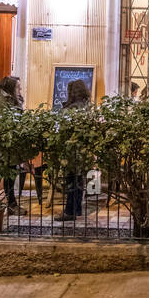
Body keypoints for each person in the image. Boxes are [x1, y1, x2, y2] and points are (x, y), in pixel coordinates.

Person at [55, 78, 91, 222]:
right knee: (79, 179)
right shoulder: (87, 106)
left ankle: (70, 211)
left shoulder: (72, 109)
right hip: (83, 150)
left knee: (71, 179)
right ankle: (77, 209)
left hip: (72, 150)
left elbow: (63, 127)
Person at [0, 76, 25, 214]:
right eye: (17, 87)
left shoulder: (15, 99)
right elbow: (1, 122)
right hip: (3, 145)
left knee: (10, 174)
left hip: (12, 144)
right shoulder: (1, 101)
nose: (20, 89)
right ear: (11, 88)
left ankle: (12, 204)